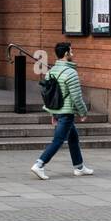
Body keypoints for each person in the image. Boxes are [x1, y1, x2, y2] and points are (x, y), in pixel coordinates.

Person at [31, 41, 94, 179]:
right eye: (71, 51)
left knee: (73, 138)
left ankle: (79, 167)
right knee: (58, 140)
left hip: (58, 111)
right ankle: (39, 164)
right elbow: (76, 96)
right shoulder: (71, 73)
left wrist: (53, 113)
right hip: (66, 113)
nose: (73, 53)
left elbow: (49, 96)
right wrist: (83, 112)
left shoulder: (51, 71)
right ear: (66, 53)